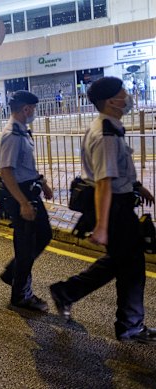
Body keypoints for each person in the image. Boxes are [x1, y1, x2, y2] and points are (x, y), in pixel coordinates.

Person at [49, 77, 156, 344]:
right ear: (111, 101)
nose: (128, 97)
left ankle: (67, 292)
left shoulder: (111, 127)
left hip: (120, 205)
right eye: (124, 93)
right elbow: (104, 182)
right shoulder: (105, 134)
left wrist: (137, 186)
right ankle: (129, 325)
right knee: (131, 267)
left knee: (121, 262)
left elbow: (117, 170)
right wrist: (103, 227)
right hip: (116, 209)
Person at [0, 91, 54, 312]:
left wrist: (42, 182)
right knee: (26, 246)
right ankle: (21, 295)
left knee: (43, 236)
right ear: (26, 109)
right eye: (34, 109)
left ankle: (13, 274)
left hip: (30, 191)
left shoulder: (21, 132)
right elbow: (7, 172)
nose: (35, 113)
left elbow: (24, 166)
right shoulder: (11, 134)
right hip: (20, 194)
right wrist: (22, 203)